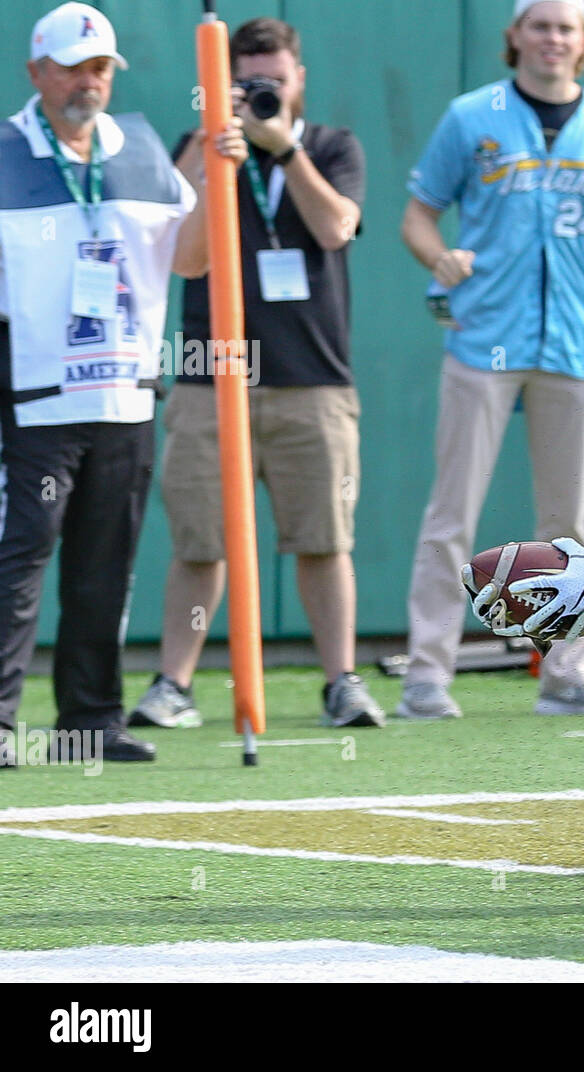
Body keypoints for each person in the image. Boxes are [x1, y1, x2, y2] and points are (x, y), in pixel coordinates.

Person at [0, 3, 243, 768]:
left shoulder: (138, 146)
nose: (88, 81)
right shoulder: (5, 149)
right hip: (30, 396)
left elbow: (193, 259)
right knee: (20, 555)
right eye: (73, 65)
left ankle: (89, 723)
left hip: (126, 394)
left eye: (100, 66)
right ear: (37, 71)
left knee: (106, 563)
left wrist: (215, 174)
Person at [128, 17, 379, 732]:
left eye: (273, 79)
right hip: (212, 379)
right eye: (246, 82)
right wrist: (217, 162)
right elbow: (184, 256)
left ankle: (342, 681)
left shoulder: (332, 146)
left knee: (325, 539)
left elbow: (336, 228)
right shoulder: (199, 147)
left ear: (299, 78)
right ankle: (175, 683)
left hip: (313, 381)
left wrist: (284, 148)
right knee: (200, 543)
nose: (260, 92)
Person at [400, 0, 584, 719]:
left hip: (572, 346)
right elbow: (417, 212)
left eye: (566, 26)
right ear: (515, 36)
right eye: (540, 24)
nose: (553, 38)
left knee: (567, 524)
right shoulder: (471, 116)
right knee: (452, 514)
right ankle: (426, 676)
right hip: (483, 338)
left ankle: (567, 674)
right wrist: (436, 255)